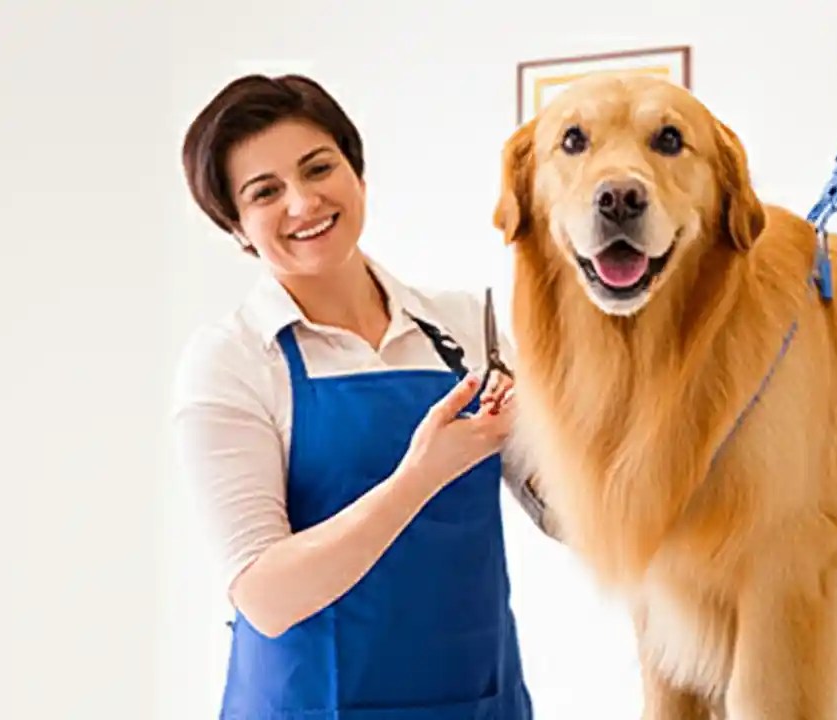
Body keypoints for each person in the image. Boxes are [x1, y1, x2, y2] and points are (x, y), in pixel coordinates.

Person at [172, 73, 555, 719]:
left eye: (318, 168)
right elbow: (266, 597)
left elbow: (564, 509)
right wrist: (421, 476)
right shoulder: (234, 361)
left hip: (475, 702)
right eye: (265, 192)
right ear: (236, 227)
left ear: (358, 174)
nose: (303, 202)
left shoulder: (465, 328)